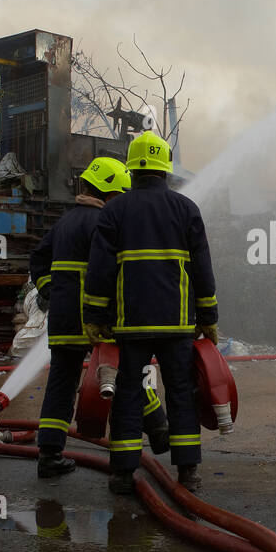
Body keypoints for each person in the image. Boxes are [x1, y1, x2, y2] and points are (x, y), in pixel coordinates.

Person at [83, 131, 218, 494]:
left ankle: (123, 474)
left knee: (128, 394)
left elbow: (100, 270)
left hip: (131, 324)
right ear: (165, 170)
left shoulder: (113, 211)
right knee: (180, 394)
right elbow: (202, 269)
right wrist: (209, 317)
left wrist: (94, 317)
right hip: (178, 325)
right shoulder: (187, 209)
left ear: (132, 168)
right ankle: (188, 472)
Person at [28, 156, 169, 478]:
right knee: (125, 373)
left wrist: (50, 288)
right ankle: (158, 426)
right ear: (109, 192)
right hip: (98, 316)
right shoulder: (104, 223)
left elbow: (38, 258)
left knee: (61, 383)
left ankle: (49, 455)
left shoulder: (65, 222)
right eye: (120, 195)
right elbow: (114, 271)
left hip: (64, 318)